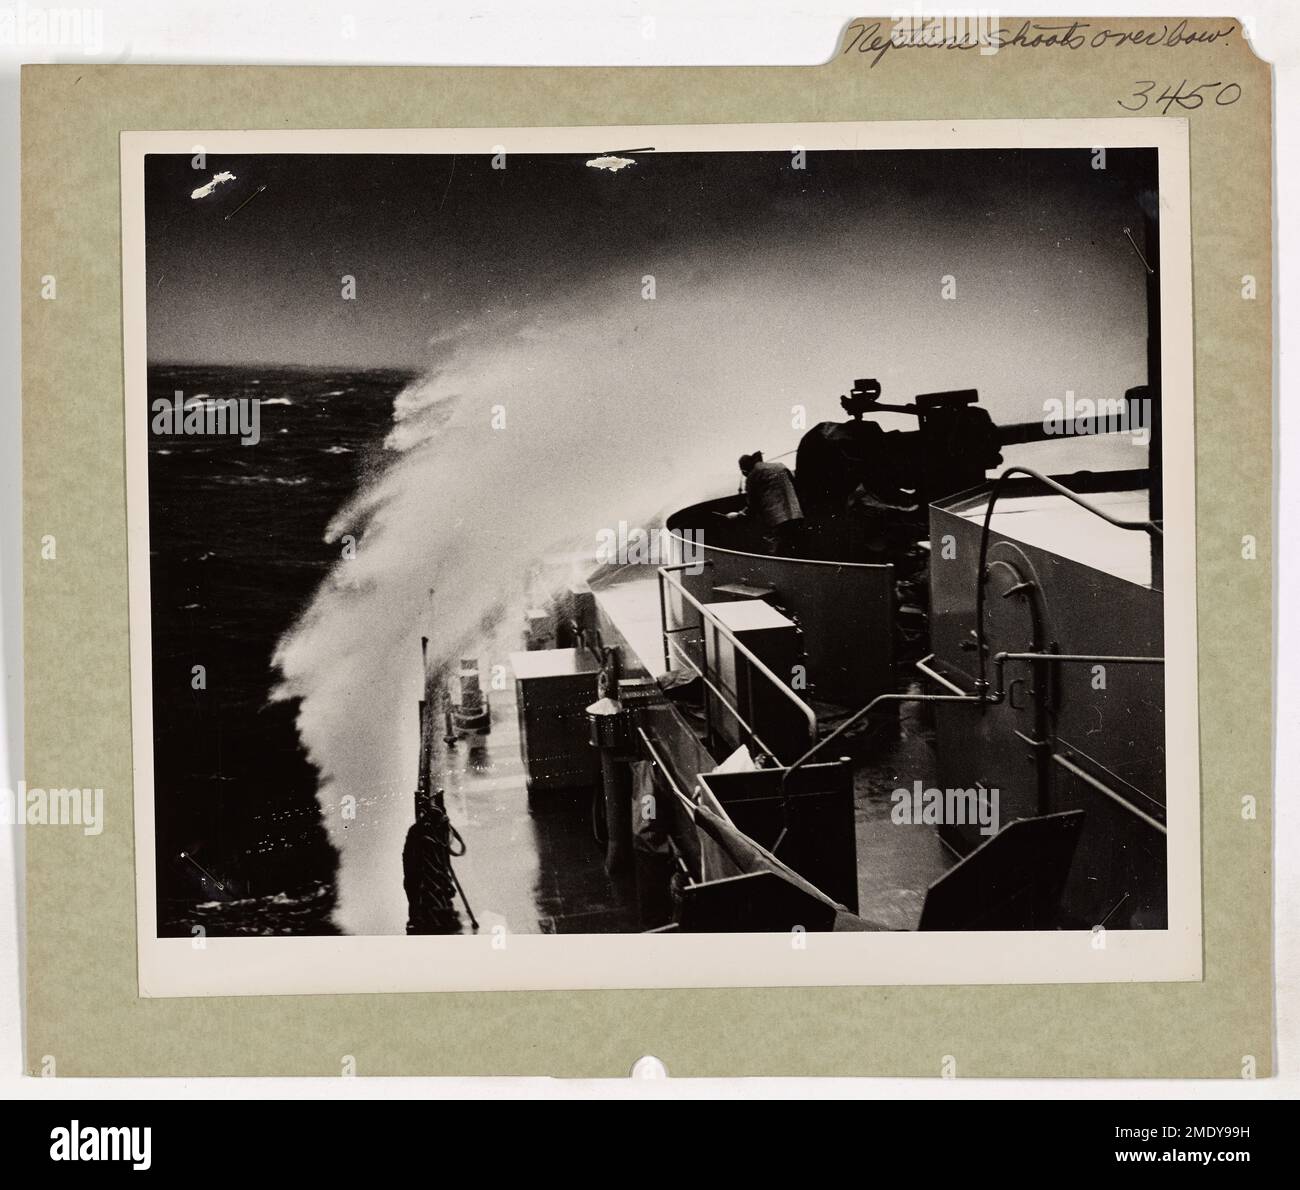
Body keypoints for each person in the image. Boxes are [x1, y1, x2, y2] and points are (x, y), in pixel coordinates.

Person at [728, 451, 805, 556]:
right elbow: (796, 485)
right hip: (797, 515)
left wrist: (738, 515)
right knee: (796, 548)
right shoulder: (780, 466)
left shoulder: (753, 475)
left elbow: (752, 505)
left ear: (745, 469)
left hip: (777, 521)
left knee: (776, 552)